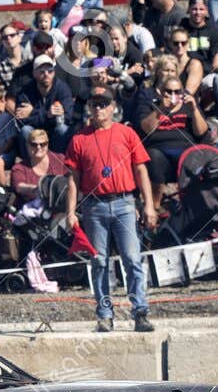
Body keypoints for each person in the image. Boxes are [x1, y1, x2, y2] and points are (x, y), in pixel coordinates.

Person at [63, 88, 156, 332]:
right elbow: (73, 178)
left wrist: (148, 205)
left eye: (104, 104)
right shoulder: (79, 139)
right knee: (99, 262)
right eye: (94, 104)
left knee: (132, 259)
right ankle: (104, 314)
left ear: (113, 106)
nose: (99, 109)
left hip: (125, 202)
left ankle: (140, 311)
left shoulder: (126, 133)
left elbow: (141, 171)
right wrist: (71, 211)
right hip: (95, 205)